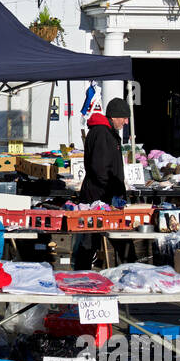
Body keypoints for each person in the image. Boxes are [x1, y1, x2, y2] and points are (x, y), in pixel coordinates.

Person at [72, 97, 130, 269]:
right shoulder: (103, 133)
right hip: (100, 196)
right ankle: (81, 274)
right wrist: (113, 190)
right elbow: (101, 169)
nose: (126, 122)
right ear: (114, 116)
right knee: (92, 238)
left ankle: (83, 272)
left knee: (98, 237)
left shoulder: (106, 132)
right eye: (124, 117)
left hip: (105, 194)